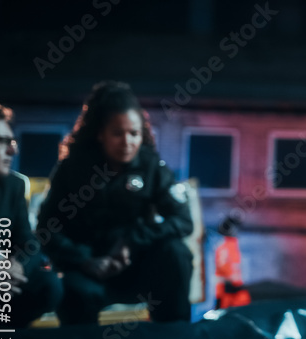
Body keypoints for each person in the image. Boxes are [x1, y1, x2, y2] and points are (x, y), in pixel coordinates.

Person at [38, 81, 194, 325]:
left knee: (176, 252)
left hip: (137, 268)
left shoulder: (151, 167)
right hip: (89, 272)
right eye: (117, 133)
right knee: (73, 291)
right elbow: (46, 229)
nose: (127, 142)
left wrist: (131, 241)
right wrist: (84, 260)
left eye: (134, 133)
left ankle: (174, 338)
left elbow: (183, 221)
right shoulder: (72, 169)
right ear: (100, 133)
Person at [0, 99, 63, 327]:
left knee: (48, 285)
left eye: (12, 141)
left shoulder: (13, 186)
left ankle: (1, 338)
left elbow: (29, 243)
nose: (13, 150)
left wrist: (15, 267)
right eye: (1, 141)